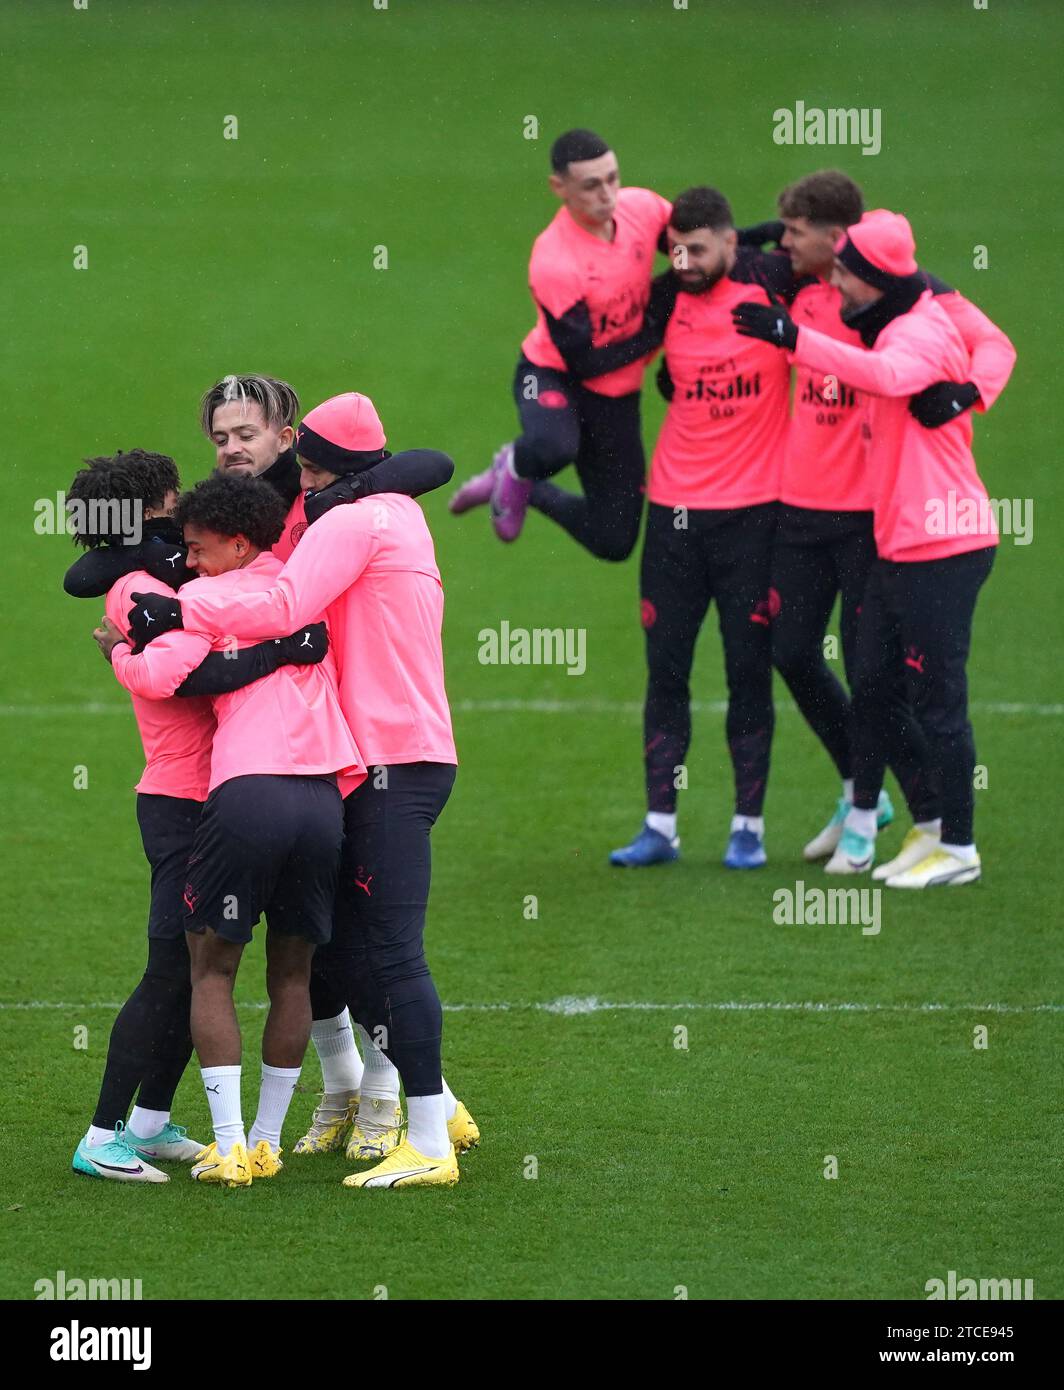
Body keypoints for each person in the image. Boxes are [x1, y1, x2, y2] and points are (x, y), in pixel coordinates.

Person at [128, 393, 476, 1189]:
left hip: (384, 758)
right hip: (376, 755)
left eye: (313, 466)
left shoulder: (353, 521)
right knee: (343, 944)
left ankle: (422, 1133)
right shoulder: (392, 512)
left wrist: (174, 604)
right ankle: (424, 1108)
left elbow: (285, 604)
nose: (305, 481)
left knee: (387, 951)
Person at [99, 473, 365, 1185]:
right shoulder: (306, 588)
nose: (187, 559)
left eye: (196, 546)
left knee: (209, 971)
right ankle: (268, 1140)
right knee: (294, 975)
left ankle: (230, 1150)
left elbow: (170, 673)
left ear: (236, 541)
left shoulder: (201, 599)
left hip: (247, 791)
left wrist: (120, 652)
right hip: (325, 796)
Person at [733, 209, 1013, 885]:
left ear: (876, 278)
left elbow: (886, 376)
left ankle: (961, 848)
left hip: (944, 543)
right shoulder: (896, 316)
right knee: (878, 682)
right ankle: (928, 827)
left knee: (937, 700)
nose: (840, 289)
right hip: (901, 544)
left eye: (848, 278)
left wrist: (794, 337)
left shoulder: (917, 331)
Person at [608, 187, 794, 870]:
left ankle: (749, 825)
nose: (684, 261)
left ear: (731, 241)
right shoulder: (667, 297)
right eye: (675, 249)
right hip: (675, 520)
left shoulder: (775, 281)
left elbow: (840, 244)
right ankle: (660, 824)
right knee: (667, 673)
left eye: (699, 248)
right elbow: (613, 355)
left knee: (748, 672)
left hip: (755, 520)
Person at [449, 129, 673, 559]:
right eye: (591, 185)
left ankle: (525, 488)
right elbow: (586, 362)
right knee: (553, 447)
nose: (608, 195)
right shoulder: (555, 260)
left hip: (617, 396)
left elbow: (695, 248)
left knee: (614, 541)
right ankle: (517, 463)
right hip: (554, 375)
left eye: (613, 178)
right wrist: (657, 329)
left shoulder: (641, 209)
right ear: (560, 188)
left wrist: (760, 243)